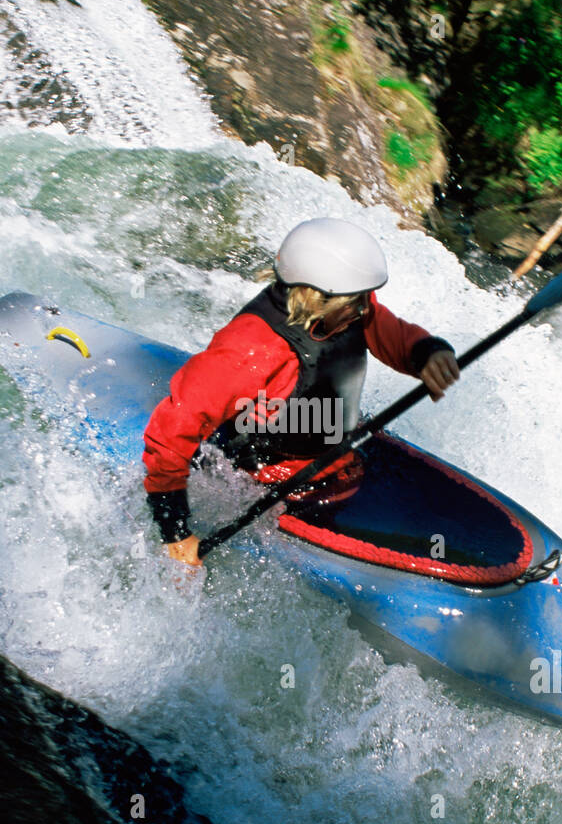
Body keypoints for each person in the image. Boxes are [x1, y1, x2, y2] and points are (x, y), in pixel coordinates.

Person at [143, 217, 460, 565]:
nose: (366, 308)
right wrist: (174, 533)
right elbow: (174, 426)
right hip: (268, 484)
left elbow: (392, 333)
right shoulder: (250, 347)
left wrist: (427, 352)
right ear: (314, 296)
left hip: (335, 462)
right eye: (356, 302)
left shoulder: (352, 310)